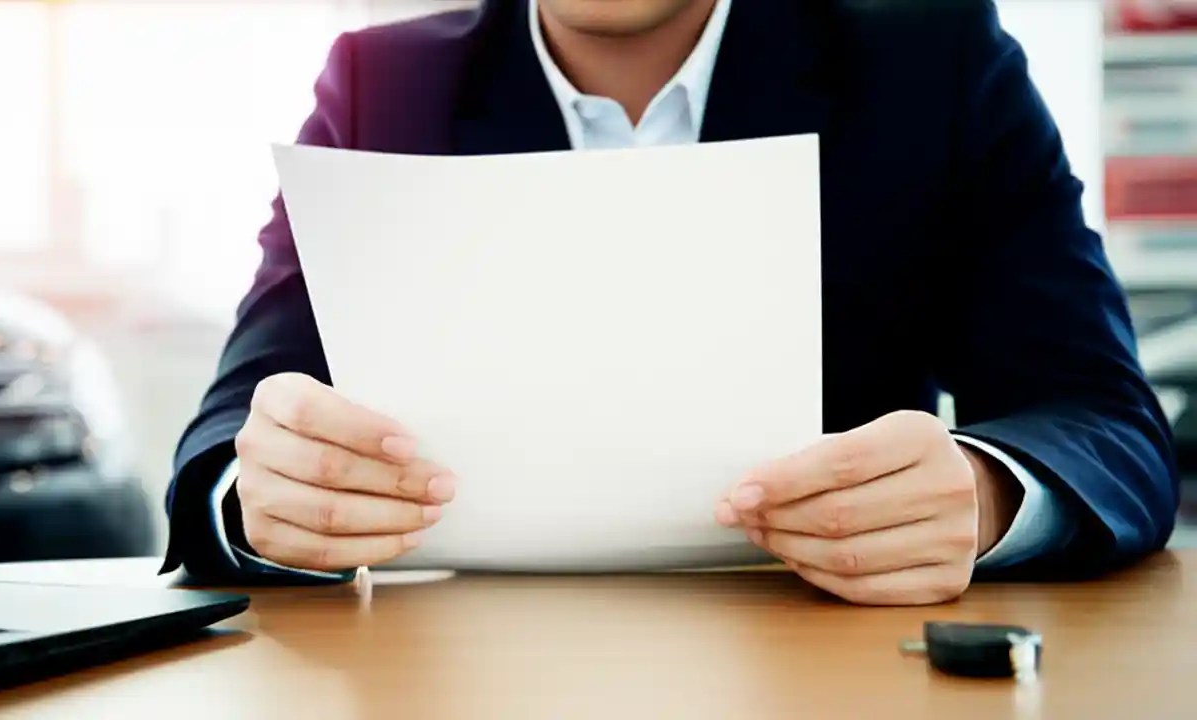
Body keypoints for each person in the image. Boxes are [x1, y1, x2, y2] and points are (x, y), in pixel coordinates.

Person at [160, 0, 1179, 605]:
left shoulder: (931, 55)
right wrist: (260, 497)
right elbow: (234, 429)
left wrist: (985, 492)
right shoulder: (380, 80)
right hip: (452, 672)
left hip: (832, 660)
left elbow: (1108, 426)